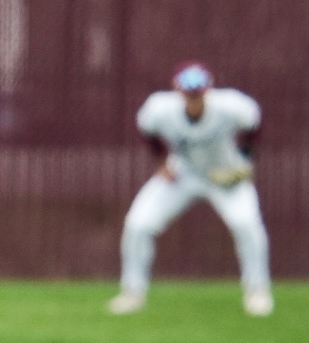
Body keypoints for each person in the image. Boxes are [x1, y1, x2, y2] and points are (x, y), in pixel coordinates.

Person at [108, 62, 272, 316]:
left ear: (208, 90)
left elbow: (253, 122)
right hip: (183, 174)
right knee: (139, 223)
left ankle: (258, 292)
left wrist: (246, 159)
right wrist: (161, 162)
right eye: (188, 93)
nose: (193, 99)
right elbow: (148, 131)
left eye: (198, 93)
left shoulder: (230, 106)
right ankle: (132, 293)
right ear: (178, 91)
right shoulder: (160, 109)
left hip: (225, 175)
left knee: (247, 225)